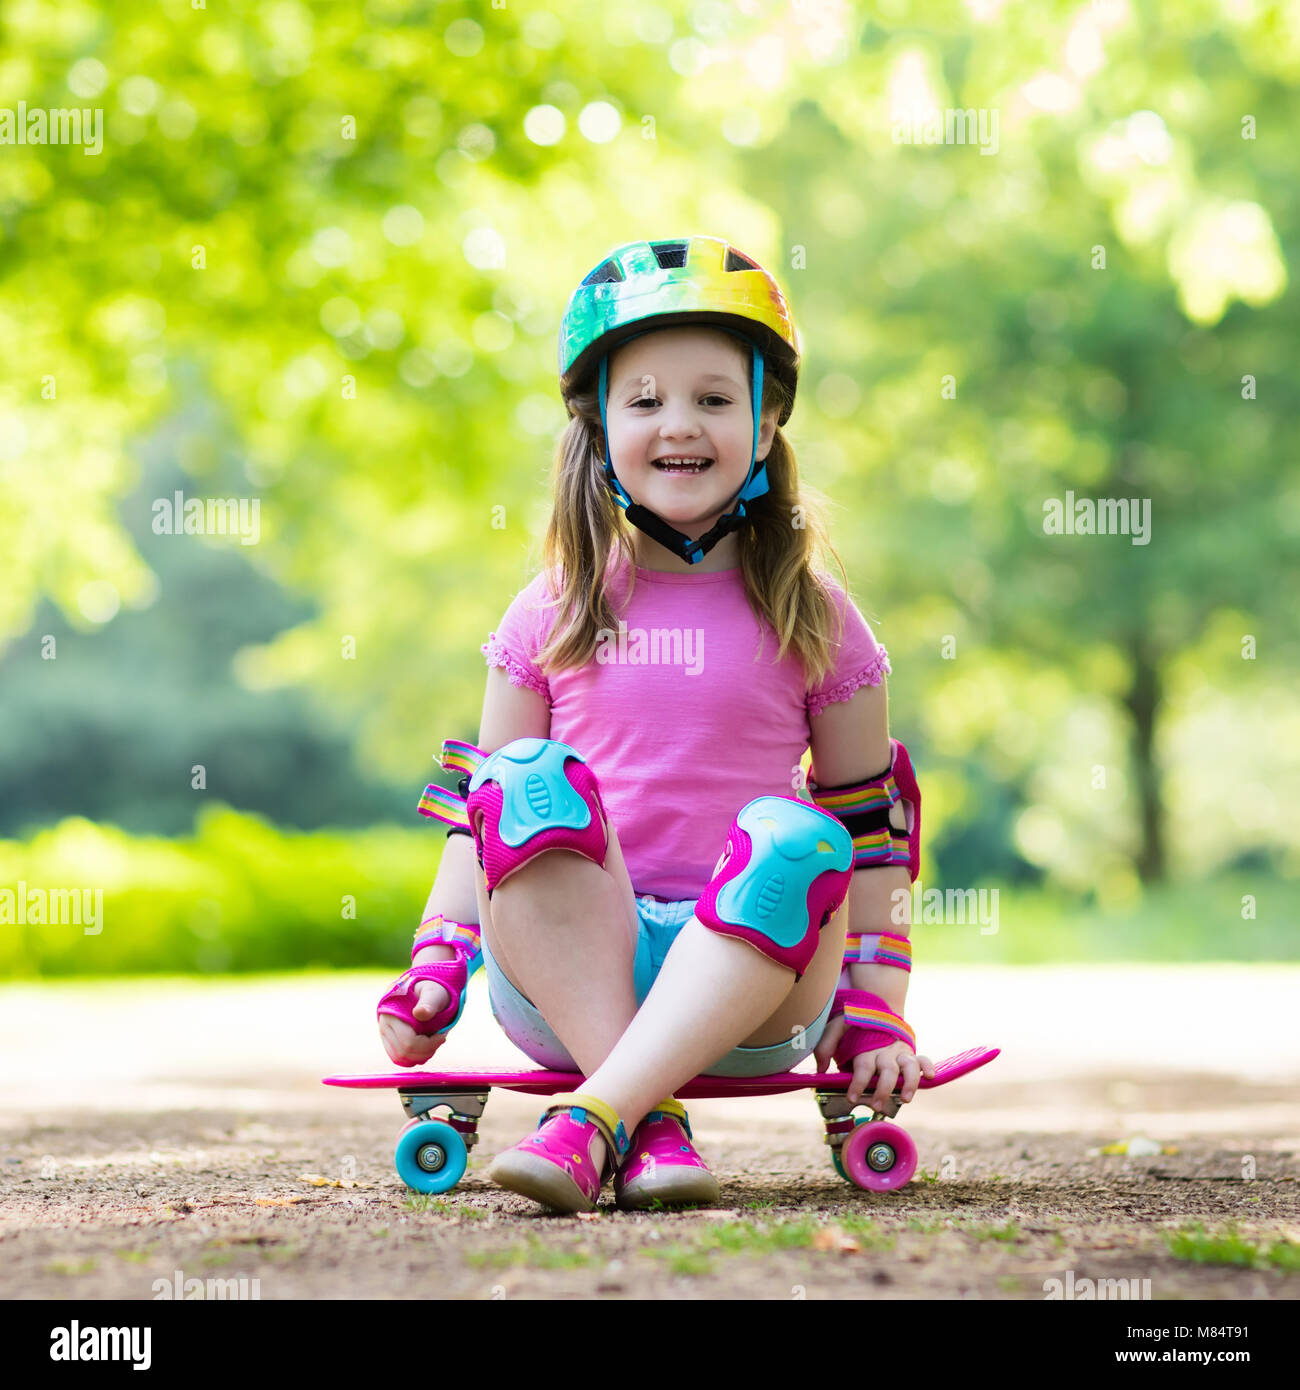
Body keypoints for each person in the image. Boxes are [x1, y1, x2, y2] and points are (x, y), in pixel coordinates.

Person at [377, 235, 934, 1213]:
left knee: (800, 834)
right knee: (519, 778)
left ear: (765, 421)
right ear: (600, 425)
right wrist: (438, 960)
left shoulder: (818, 618)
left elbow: (871, 836)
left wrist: (878, 1007)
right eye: (644, 401)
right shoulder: (548, 612)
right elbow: (477, 820)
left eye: (714, 398)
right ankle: (639, 1114)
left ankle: (602, 1117)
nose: (680, 424)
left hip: (760, 993)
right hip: (564, 984)